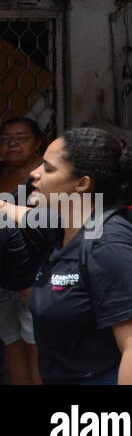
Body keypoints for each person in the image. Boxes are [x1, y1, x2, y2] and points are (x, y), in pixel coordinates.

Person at [15, 127, 132, 384]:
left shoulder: (110, 245)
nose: (34, 173)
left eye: (49, 169)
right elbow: (16, 212)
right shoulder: (66, 228)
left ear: (82, 184)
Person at [0, 118, 45, 385]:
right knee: (11, 340)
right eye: (5, 139)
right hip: (4, 274)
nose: (12, 143)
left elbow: (60, 218)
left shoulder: (46, 175)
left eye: (21, 137)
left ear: (38, 142)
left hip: (36, 273)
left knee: (35, 343)